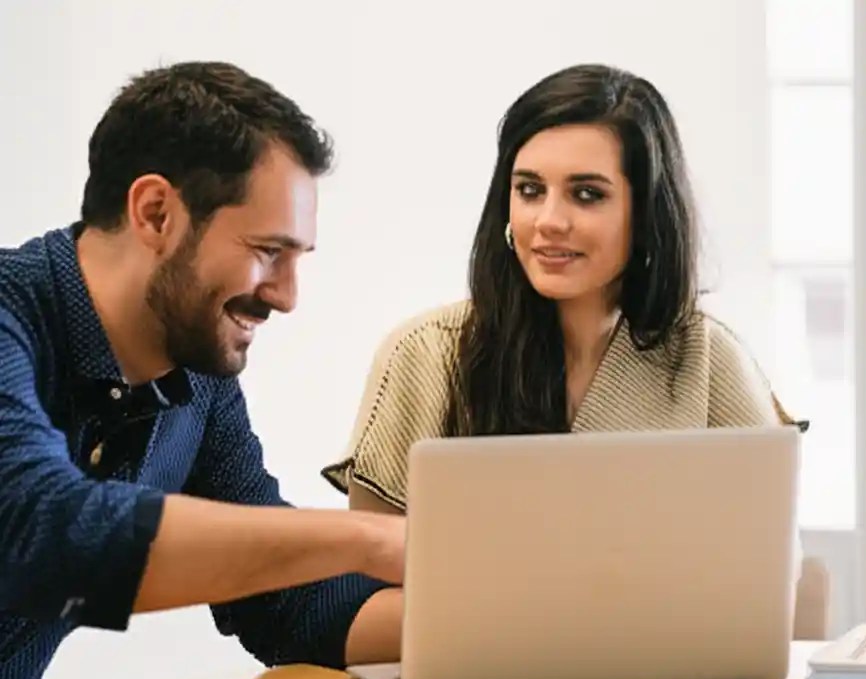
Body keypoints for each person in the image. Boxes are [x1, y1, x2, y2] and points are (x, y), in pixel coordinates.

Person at [0, 61, 403, 679]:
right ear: (155, 212)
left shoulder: (195, 379)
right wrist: (375, 539)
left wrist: (503, 624)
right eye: (269, 251)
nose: (288, 296)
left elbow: (288, 604)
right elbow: (43, 531)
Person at [322, 63, 802, 518]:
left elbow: (769, 573)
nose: (549, 221)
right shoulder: (425, 353)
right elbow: (368, 582)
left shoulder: (709, 360)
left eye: (587, 194)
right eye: (529, 190)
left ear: (646, 216)